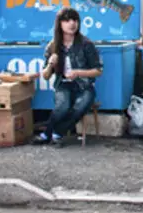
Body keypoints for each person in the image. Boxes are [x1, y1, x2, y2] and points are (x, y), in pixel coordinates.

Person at [35, 8, 102, 146]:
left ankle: (54, 133)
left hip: (84, 85)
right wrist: (50, 64)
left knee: (82, 104)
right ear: (59, 24)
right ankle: (52, 134)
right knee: (63, 105)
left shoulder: (86, 44)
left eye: (75, 20)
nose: (72, 23)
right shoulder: (53, 46)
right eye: (67, 20)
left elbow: (98, 70)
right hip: (63, 84)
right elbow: (46, 76)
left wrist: (78, 72)